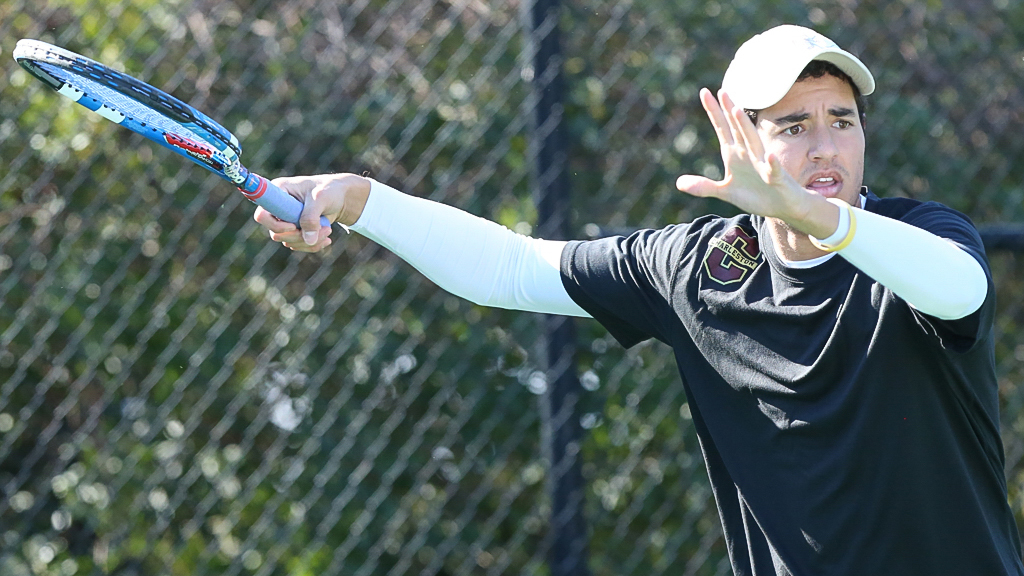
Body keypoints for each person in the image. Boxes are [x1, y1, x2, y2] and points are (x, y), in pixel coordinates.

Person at [254, 24, 1024, 576]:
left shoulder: (919, 238)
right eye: (794, 126)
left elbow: (961, 288)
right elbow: (513, 268)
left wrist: (813, 214)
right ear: (744, 141)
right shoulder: (698, 268)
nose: (826, 146)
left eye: (842, 120)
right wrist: (360, 199)